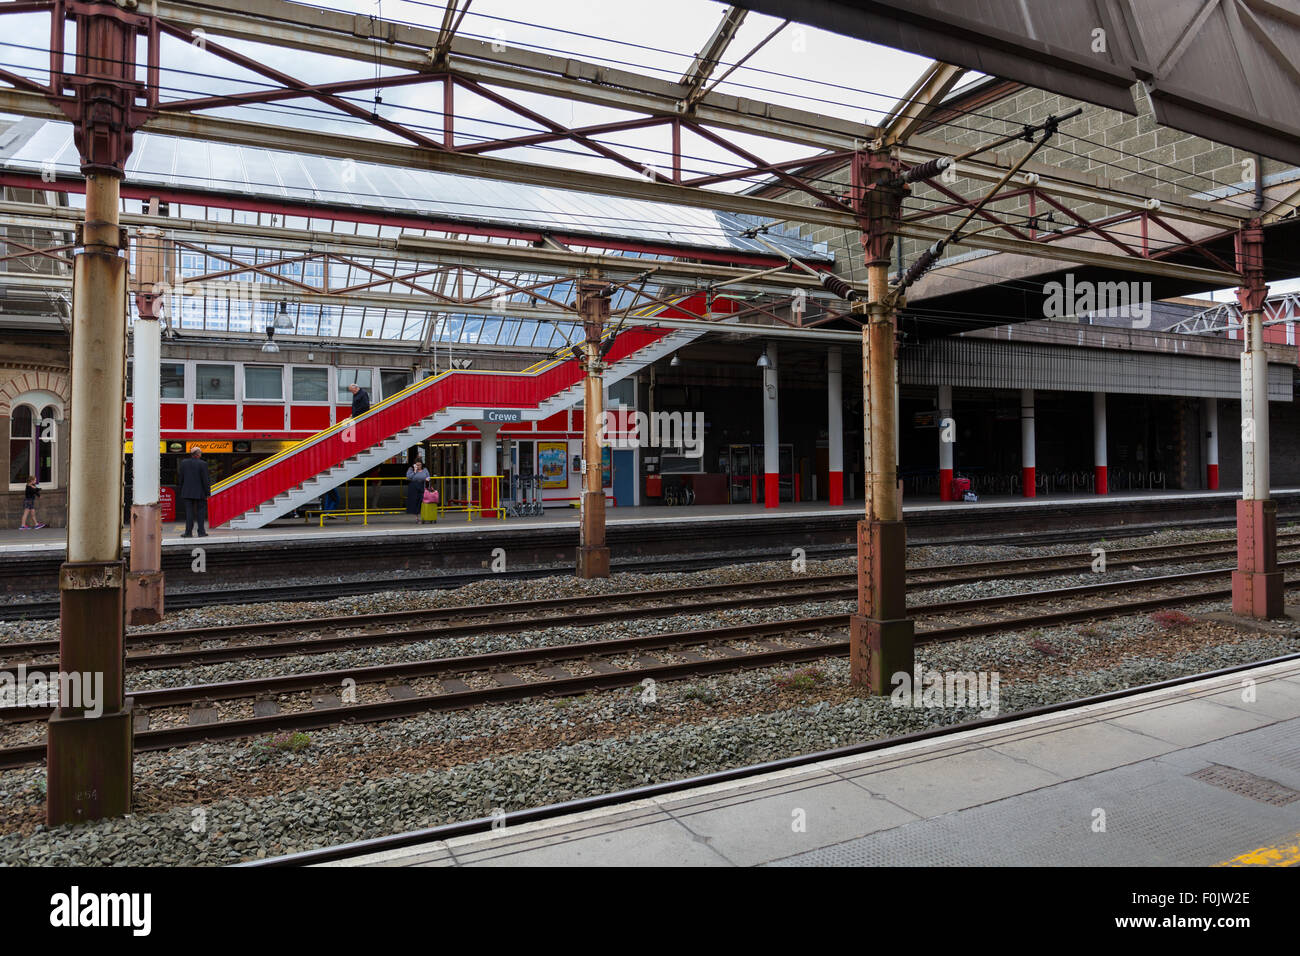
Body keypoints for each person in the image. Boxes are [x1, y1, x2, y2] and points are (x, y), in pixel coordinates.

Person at [178, 446, 212, 538]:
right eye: (200, 453)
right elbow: (205, 480)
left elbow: (180, 478)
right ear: (198, 454)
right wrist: (208, 492)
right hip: (200, 492)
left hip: (187, 492)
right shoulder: (203, 464)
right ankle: (201, 532)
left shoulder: (184, 463)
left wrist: (181, 490)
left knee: (189, 513)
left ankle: (188, 533)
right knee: (201, 512)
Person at [405, 458, 429, 523]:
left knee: (421, 501)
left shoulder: (425, 469)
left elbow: (428, 476)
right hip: (413, 486)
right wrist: (414, 471)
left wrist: (428, 479)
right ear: (414, 465)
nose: (418, 466)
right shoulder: (411, 469)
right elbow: (408, 477)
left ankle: (423, 517)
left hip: (421, 485)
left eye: (420, 465)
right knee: (415, 502)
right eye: (417, 465)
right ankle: (417, 518)